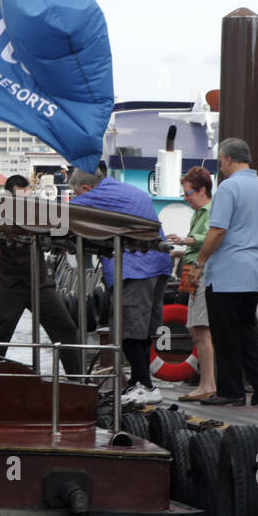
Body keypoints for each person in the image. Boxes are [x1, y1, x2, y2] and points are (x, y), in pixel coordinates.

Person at [0, 176, 81, 376]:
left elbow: (58, 246)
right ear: (9, 193)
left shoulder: (39, 212)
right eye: (20, 193)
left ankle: (77, 379)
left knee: (66, 328)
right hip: (11, 285)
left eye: (26, 192)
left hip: (40, 284)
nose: (24, 197)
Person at [70, 165, 171, 405]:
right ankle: (140, 383)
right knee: (143, 331)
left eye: (77, 194)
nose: (77, 198)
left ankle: (144, 385)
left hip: (135, 268)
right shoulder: (126, 190)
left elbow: (66, 216)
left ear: (86, 188)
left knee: (128, 330)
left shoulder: (96, 196)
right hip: (158, 264)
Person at [191, 138, 258, 407]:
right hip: (255, 270)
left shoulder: (229, 188)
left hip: (228, 272)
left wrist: (199, 262)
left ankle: (231, 390)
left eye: (221, 160)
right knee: (246, 328)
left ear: (228, 159)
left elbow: (217, 230)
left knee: (225, 332)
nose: (222, 165)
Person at [165, 166, 218, 402]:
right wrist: (180, 253)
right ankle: (206, 381)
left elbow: (209, 238)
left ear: (202, 190)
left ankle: (207, 384)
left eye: (188, 193)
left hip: (201, 273)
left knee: (201, 330)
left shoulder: (210, 210)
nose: (186, 198)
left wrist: (186, 240)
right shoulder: (199, 213)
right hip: (191, 270)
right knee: (196, 329)